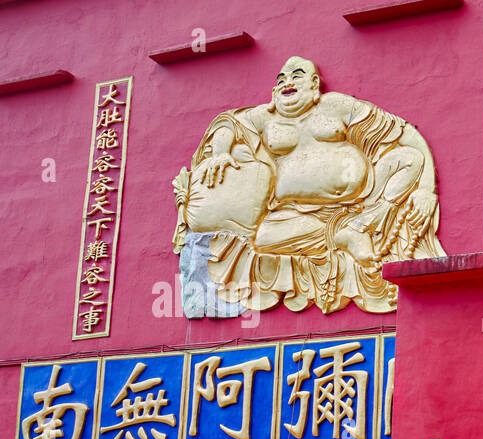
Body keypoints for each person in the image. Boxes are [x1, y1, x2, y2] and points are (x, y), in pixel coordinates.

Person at [173, 56, 446, 315]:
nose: (286, 82)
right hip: (293, 213)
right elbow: (228, 123)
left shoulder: (337, 105)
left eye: (297, 76)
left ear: (314, 84)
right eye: (280, 80)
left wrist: (425, 190)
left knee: (409, 159)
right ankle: (341, 234)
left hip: (367, 199)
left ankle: (357, 226)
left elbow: (406, 134)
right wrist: (221, 152)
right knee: (263, 239)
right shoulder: (265, 118)